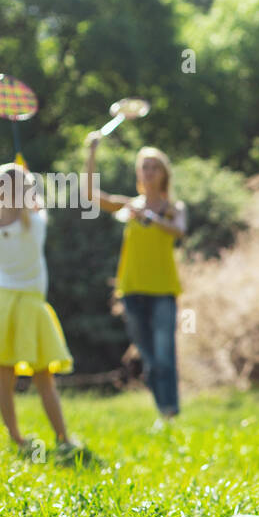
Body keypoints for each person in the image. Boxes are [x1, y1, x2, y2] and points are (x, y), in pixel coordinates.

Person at [0, 163, 79, 457]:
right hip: (30, 306)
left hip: (0, 304)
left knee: (5, 378)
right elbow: (38, 204)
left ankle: (16, 438)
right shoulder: (34, 224)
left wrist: (16, 179)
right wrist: (24, 179)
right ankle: (63, 438)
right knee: (44, 379)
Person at [84, 133, 186, 425]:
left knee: (165, 355)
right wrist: (91, 153)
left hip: (163, 289)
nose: (149, 172)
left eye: (154, 167)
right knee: (150, 359)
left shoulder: (173, 208)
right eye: (144, 167)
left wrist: (149, 217)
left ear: (164, 173)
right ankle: (164, 413)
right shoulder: (129, 206)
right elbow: (90, 195)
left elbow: (178, 230)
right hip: (131, 289)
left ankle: (170, 413)